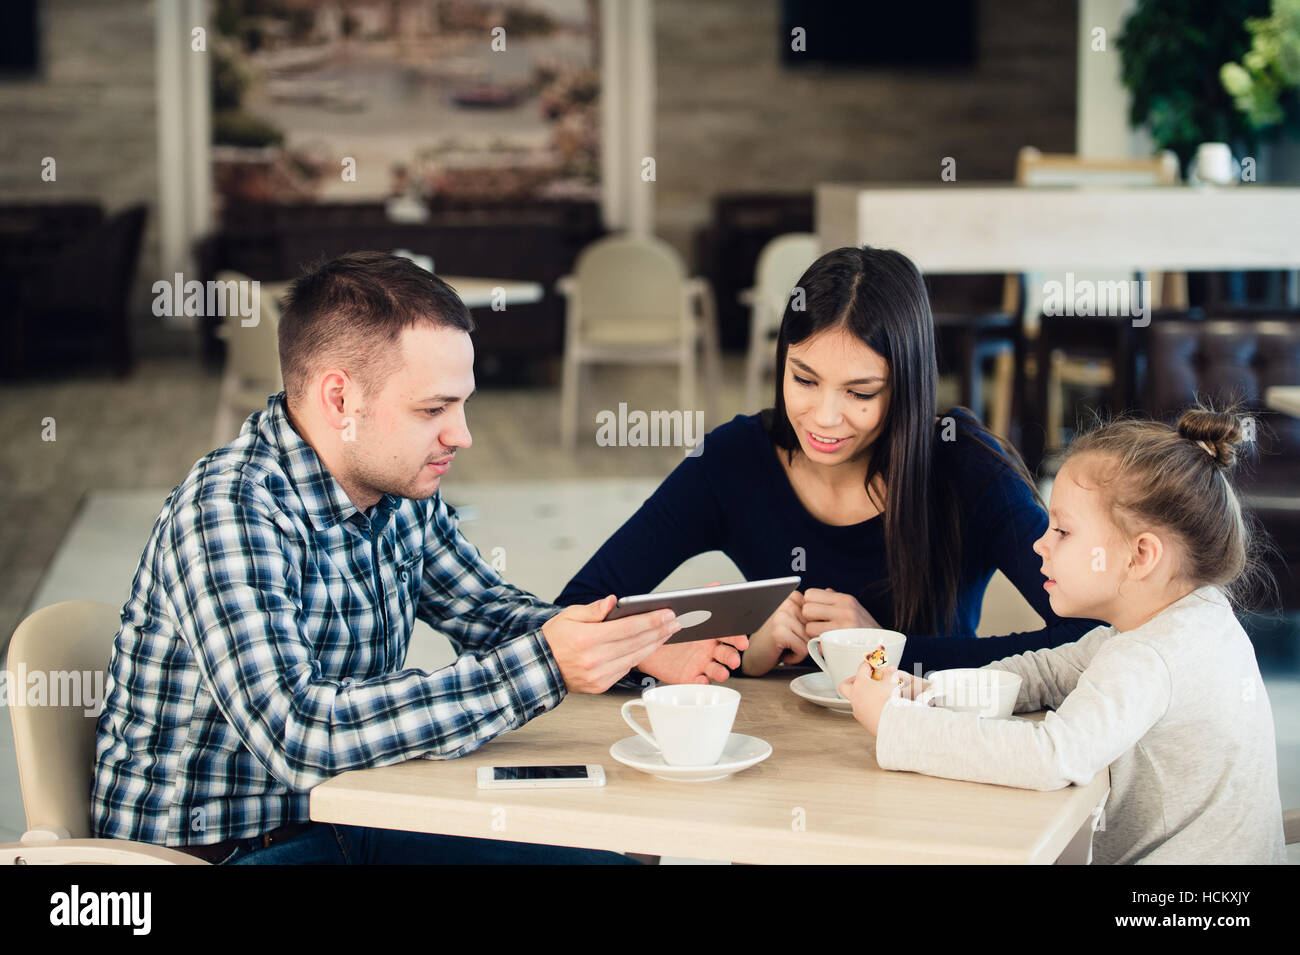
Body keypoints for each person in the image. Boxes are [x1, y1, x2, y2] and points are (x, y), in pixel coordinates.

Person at [91, 252, 694, 864]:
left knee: (620, 849)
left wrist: (635, 646)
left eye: (462, 405)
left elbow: (486, 611)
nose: (461, 435)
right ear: (338, 400)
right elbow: (301, 734)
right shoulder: (228, 510)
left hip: (349, 810)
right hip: (221, 849)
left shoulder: (395, 484)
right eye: (433, 410)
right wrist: (546, 664)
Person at [557, 246, 1099, 685]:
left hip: (925, 755)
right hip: (773, 755)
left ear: (907, 387)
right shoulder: (732, 461)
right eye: (804, 380)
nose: (824, 418)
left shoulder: (968, 469)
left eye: (860, 392)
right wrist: (738, 642)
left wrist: (886, 651)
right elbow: (572, 614)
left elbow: (1092, 638)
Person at [841, 407, 1287, 864]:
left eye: (1062, 530)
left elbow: (1052, 758)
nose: (1040, 544)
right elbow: (1052, 669)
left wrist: (897, 725)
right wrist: (937, 691)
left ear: (1140, 556)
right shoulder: (1189, 615)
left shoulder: (1151, 657)